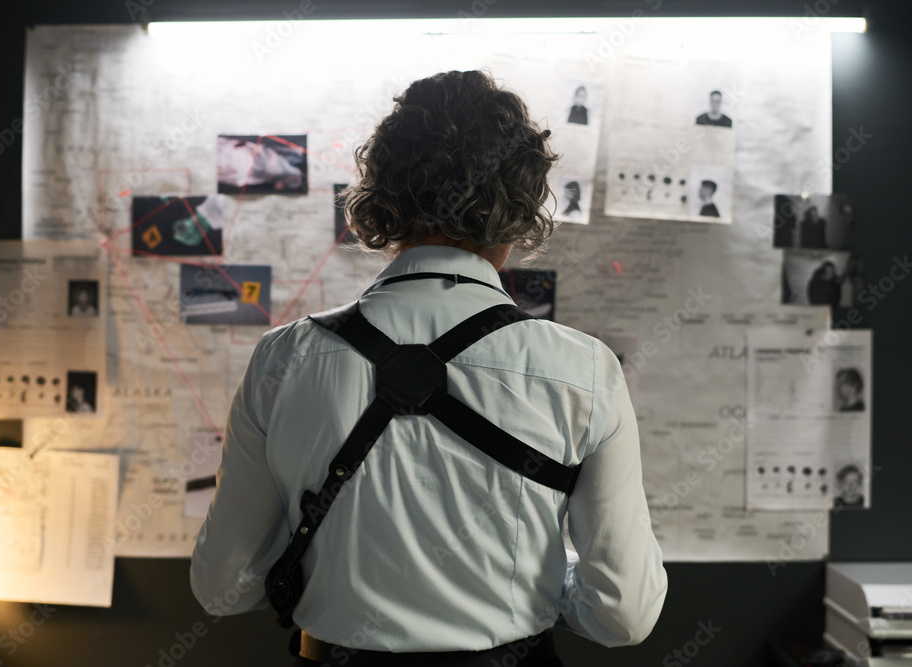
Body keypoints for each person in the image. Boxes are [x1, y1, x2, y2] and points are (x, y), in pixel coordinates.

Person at [190, 70, 667, 667]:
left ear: (383, 198)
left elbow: (223, 588)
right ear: (521, 209)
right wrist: (545, 584)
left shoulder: (282, 361)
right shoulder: (584, 371)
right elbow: (624, 615)